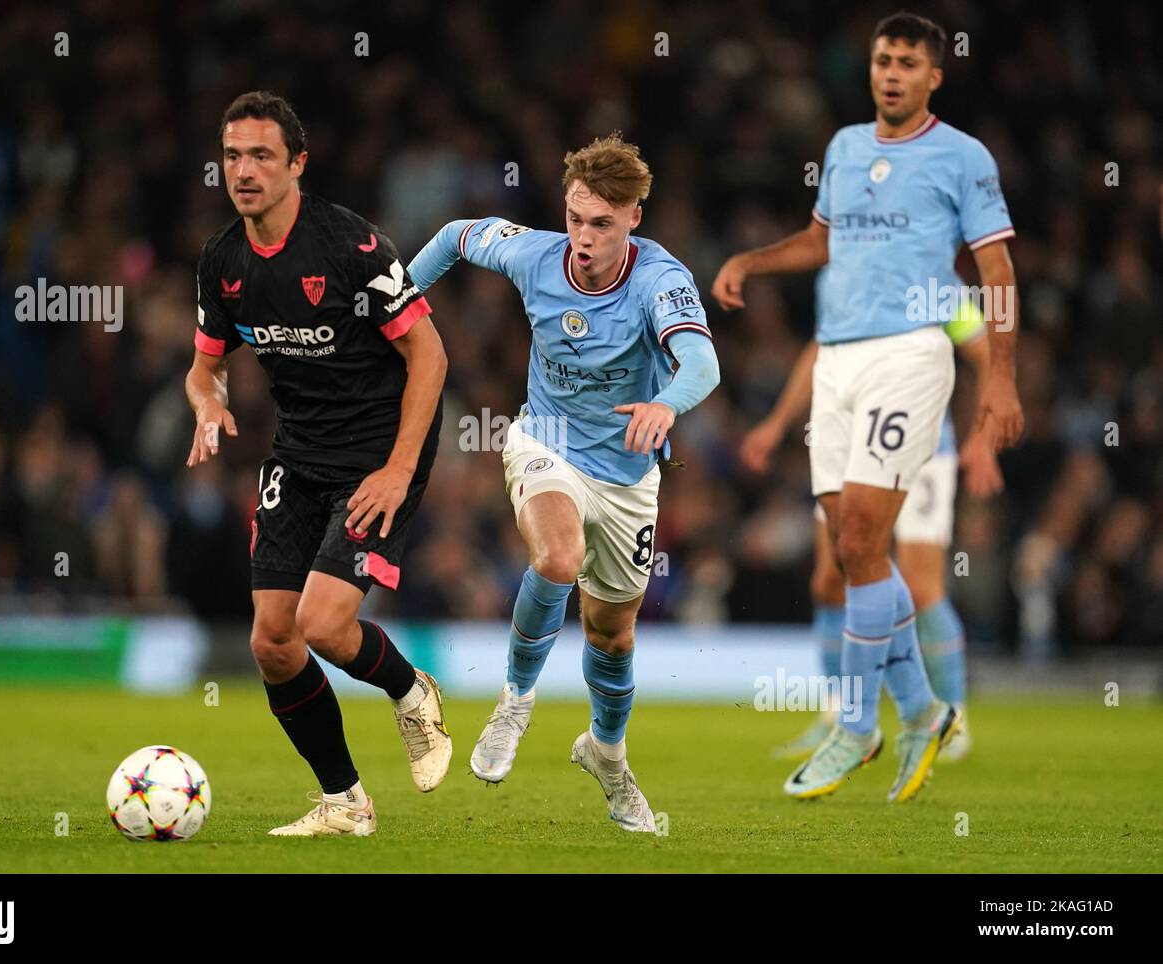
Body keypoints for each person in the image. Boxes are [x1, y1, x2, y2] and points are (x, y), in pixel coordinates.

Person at [712, 12, 1022, 802]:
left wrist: (1003, 382)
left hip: (910, 354)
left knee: (864, 539)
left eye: (907, 63)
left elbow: (997, 268)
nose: (890, 73)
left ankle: (858, 724)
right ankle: (921, 711)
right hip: (838, 362)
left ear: (933, 76)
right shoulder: (847, 149)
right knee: (852, 554)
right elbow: (822, 244)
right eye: (882, 60)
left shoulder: (963, 156)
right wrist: (754, 259)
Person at [409, 133, 721, 831]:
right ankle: (514, 704)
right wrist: (395, 305)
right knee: (556, 557)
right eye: (577, 218)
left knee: (612, 637)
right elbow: (458, 236)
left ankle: (607, 756)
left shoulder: (661, 281)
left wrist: (666, 402)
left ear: (635, 217)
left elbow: (702, 364)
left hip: (628, 477)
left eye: (602, 224)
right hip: (544, 441)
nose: (583, 237)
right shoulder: (535, 253)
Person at [185, 91, 452, 837]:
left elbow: (428, 354)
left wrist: (399, 471)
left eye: (262, 155)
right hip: (298, 453)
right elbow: (202, 367)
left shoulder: (350, 246)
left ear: (297, 163)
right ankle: (345, 802)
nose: (245, 170)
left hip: (377, 454)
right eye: (233, 155)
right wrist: (206, 402)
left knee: (326, 624)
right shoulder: (222, 260)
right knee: (272, 639)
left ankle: (411, 693)